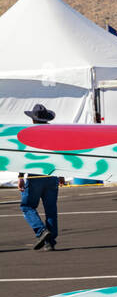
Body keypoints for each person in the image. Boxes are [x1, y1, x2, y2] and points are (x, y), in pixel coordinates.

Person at [18, 104, 60, 250]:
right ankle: (50, 243)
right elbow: (60, 153)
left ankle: (42, 231)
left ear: (33, 120)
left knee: (27, 206)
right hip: (52, 174)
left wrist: (20, 176)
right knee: (51, 209)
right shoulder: (54, 133)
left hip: (35, 175)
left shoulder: (28, 134)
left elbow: (23, 156)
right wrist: (60, 174)